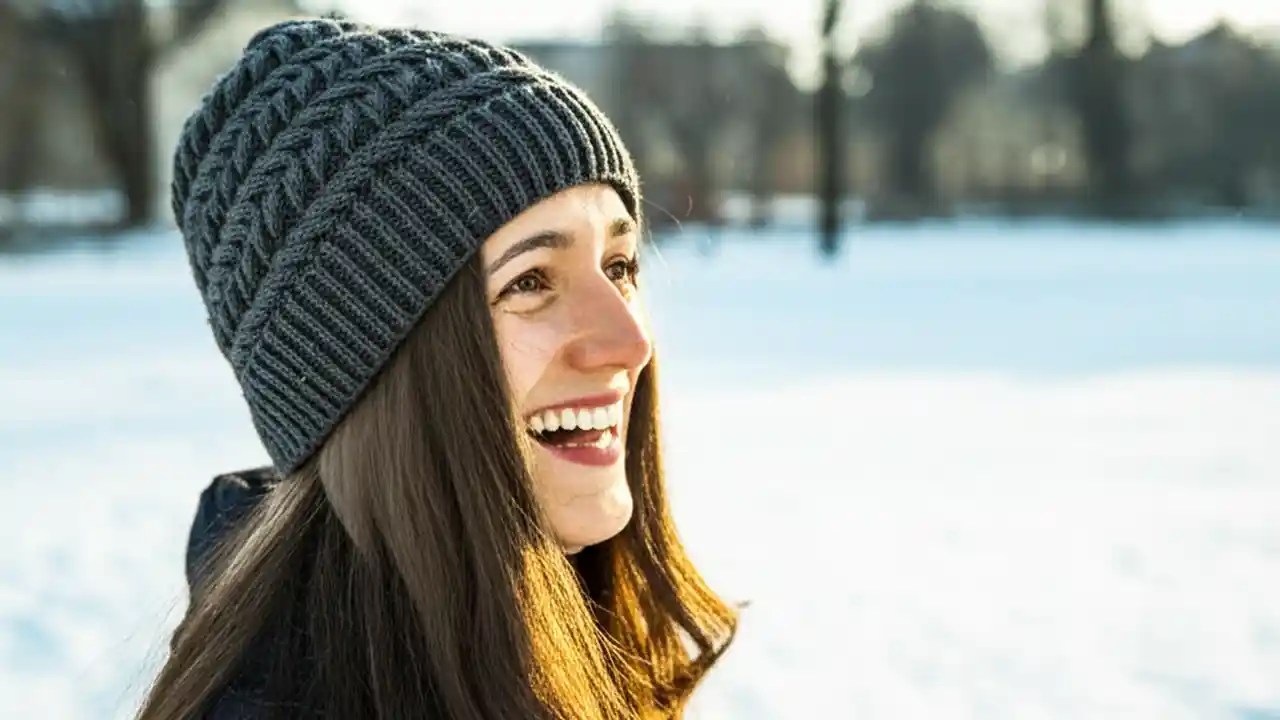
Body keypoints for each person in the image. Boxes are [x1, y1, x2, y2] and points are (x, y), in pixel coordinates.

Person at [136, 18, 737, 720]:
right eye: (530, 282)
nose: (629, 339)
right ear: (365, 376)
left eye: (619, 266)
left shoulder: (561, 641)